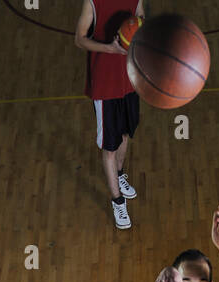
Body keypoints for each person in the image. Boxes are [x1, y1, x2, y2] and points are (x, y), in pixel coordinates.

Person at [75, 2, 145, 229]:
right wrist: (110, 48)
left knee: (125, 134)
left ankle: (119, 175)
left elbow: (142, 23)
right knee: (109, 147)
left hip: (131, 78)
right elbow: (80, 39)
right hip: (105, 84)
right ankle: (117, 201)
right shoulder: (92, 2)